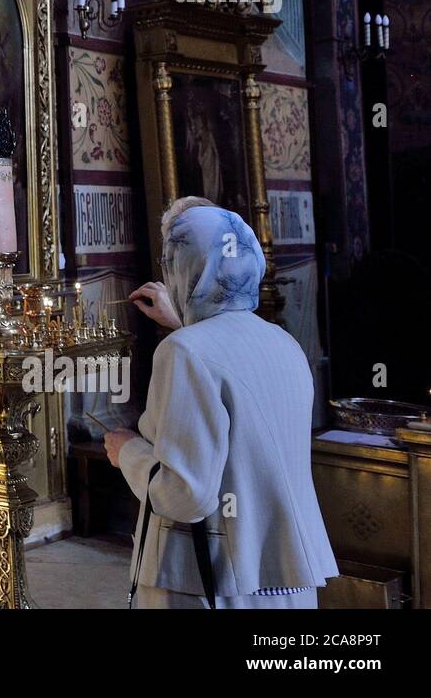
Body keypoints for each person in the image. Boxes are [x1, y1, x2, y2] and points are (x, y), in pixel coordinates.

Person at [105, 196, 338, 608]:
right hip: (286, 580)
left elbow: (186, 495)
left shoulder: (183, 352)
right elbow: (233, 374)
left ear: (181, 267)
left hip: (210, 580)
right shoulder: (282, 342)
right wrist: (182, 323)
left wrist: (128, 454)